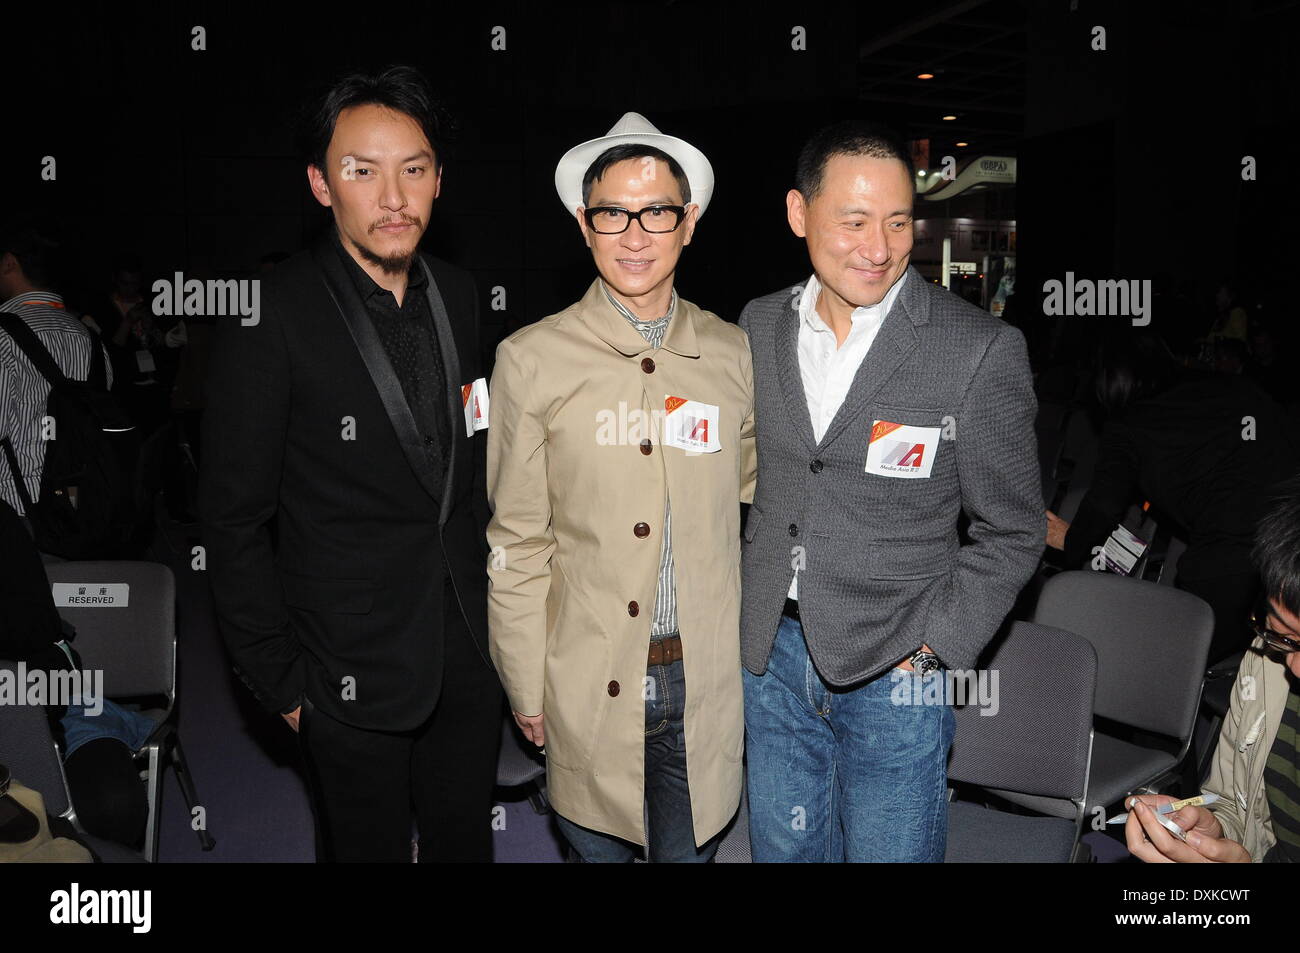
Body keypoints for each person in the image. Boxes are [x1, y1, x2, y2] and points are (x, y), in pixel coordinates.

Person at [199, 65, 502, 863]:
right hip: (343, 671)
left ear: (439, 178)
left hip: (467, 651)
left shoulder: (463, 294)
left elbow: (462, 479)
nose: (393, 196)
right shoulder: (270, 314)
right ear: (321, 184)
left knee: (463, 845)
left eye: (413, 168)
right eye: (362, 171)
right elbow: (232, 522)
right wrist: (283, 684)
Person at [738, 120, 1042, 862]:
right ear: (798, 214)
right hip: (770, 659)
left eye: (899, 221)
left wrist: (937, 653)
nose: (879, 248)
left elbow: (1013, 530)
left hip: (898, 670)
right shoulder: (757, 324)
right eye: (853, 221)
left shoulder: (978, 349)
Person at [486, 112, 756, 862]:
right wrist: (525, 682)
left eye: (656, 211)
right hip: (588, 685)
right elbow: (516, 541)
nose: (634, 234)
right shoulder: (531, 360)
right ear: (585, 224)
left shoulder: (732, 354)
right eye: (612, 213)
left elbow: (761, 496)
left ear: (688, 223)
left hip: (701, 684)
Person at [1046, 332, 1299, 662]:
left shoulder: (1127, 425)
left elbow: (1103, 505)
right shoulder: (1232, 388)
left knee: (1170, 667)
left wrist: (1069, 541)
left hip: (1231, 559)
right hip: (1289, 542)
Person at [1126, 475, 1300, 862]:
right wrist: (1214, 828)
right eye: (1286, 635)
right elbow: (1235, 805)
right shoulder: (1267, 661)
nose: (1296, 667)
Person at [0, 219, 114, 518]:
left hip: (16, 510)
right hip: (83, 504)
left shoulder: (2, 337)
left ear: (9, 263)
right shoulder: (91, 339)